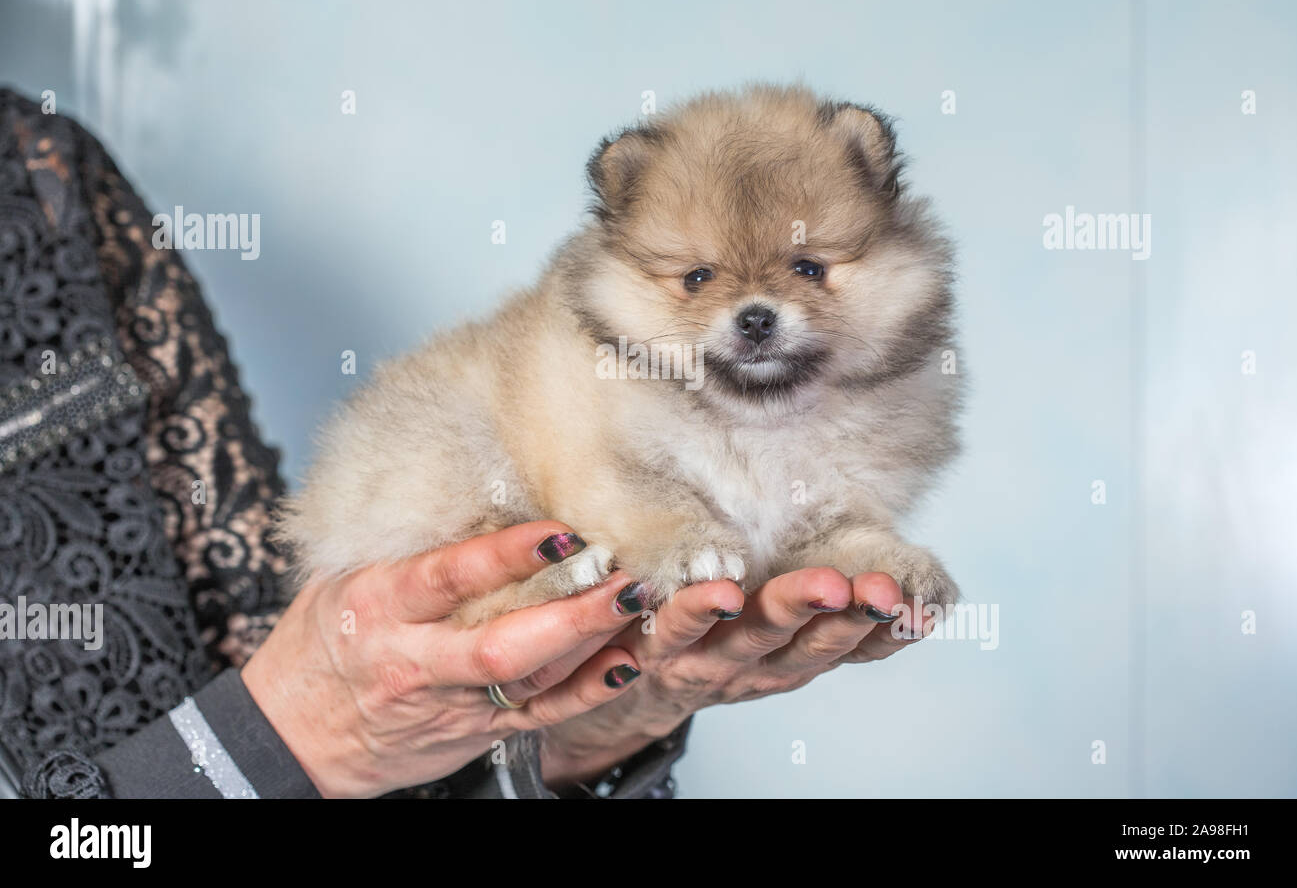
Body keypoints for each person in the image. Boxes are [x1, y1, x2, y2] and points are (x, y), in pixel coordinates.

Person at [0, 88, 928, 800]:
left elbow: (275, 633)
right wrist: (281, 737)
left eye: (812, 268)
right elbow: (296, 715)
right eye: (694, 278)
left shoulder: (48, 182)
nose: (758, 307)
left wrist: (582, 722)